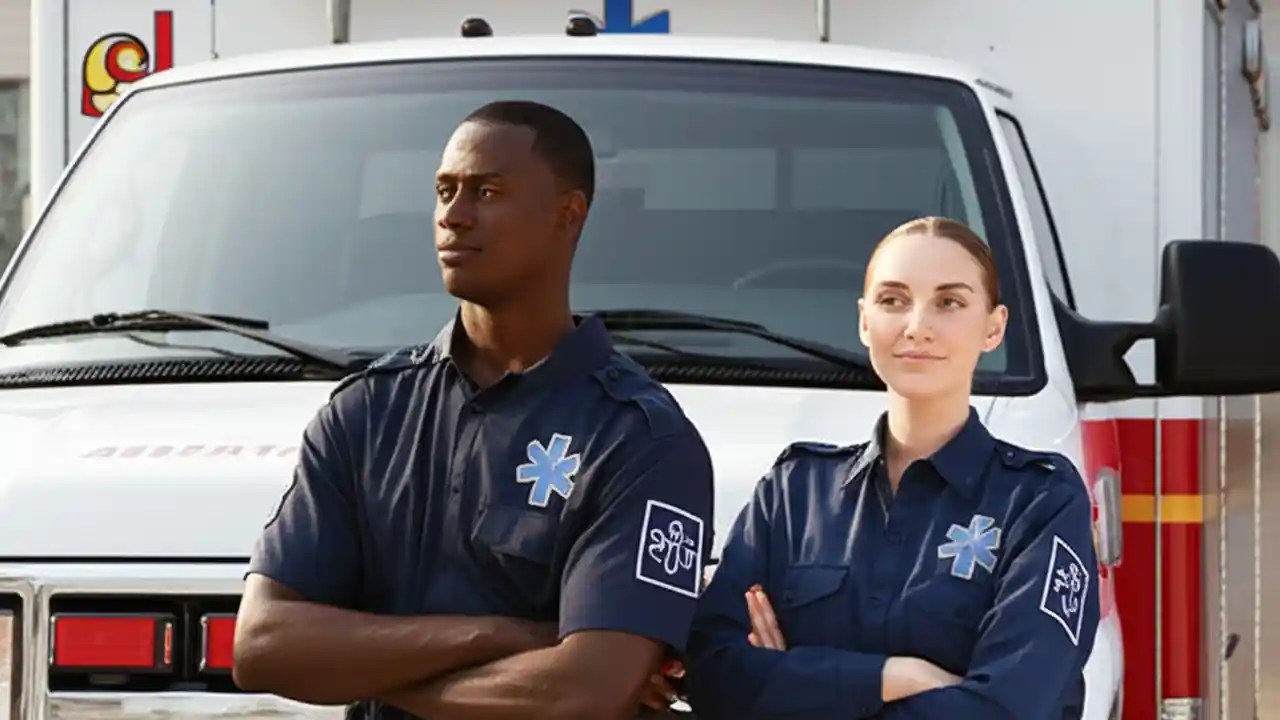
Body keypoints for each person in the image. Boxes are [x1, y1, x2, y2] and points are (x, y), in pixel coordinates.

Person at [231, 100, 715, 719]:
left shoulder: (642, 439)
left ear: (568, 215)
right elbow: (262, 646)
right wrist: (498, 635)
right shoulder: (367, 413)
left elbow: (584, 691)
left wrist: (364, 673)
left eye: (486, 192)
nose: (453, 218)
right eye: (444, 191)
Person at [680, 216, 1100, 719]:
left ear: (994, 327)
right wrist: (891, 678)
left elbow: (1011, 708)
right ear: (863, 321)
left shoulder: (1039, 502)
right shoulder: (794, 494)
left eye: (949, 302)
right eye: (893, 300)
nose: (916, 326)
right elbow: (712, 675)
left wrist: (798, 689)